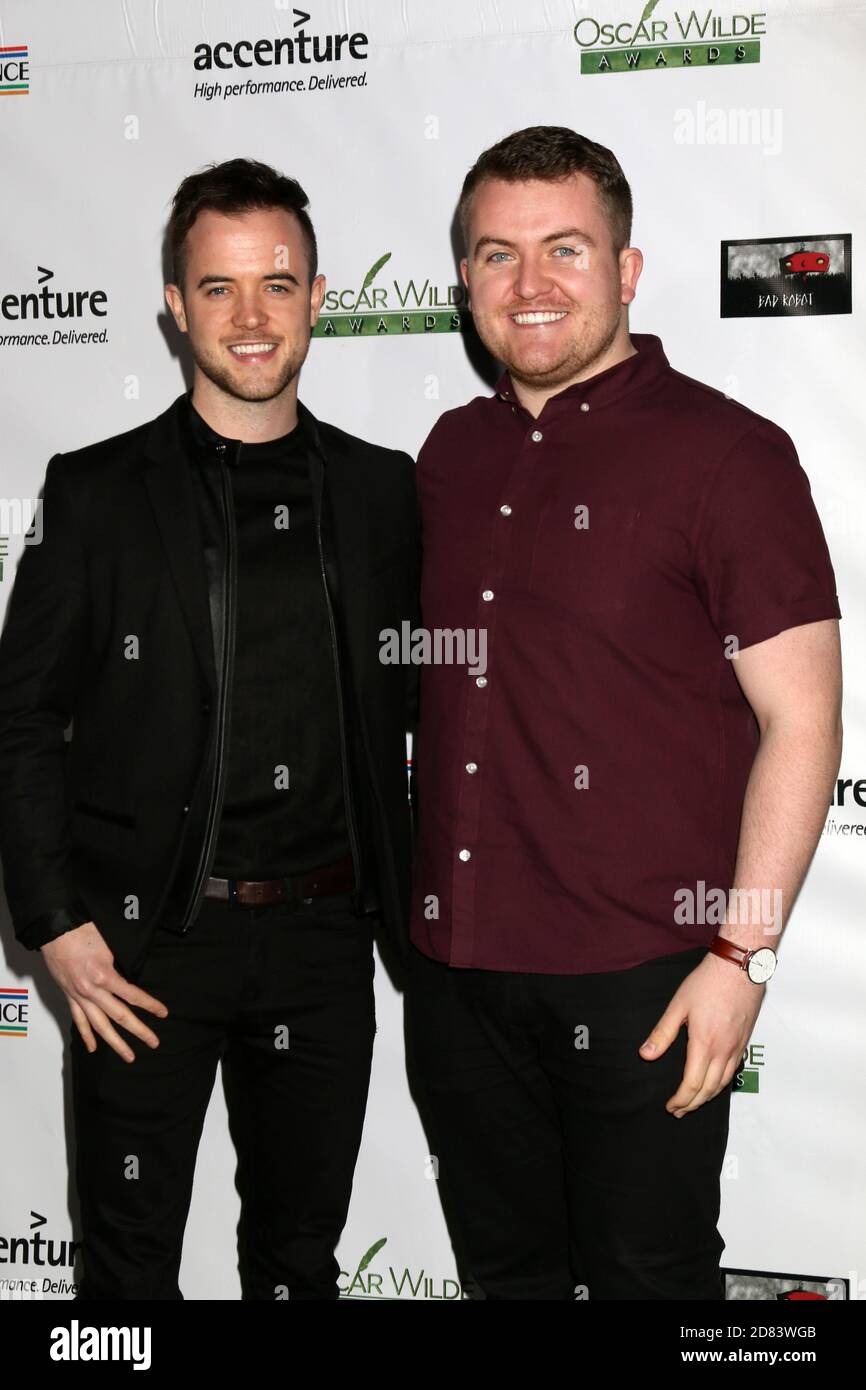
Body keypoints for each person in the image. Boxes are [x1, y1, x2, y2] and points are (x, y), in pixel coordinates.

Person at [405, 125, 842, 1300]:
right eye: (496, 255)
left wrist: (741, 953)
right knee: (505, 1278)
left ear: (627, 269)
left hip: (645, 977)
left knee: (650, 1278)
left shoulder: (729, 455)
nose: (529, 285)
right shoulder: (446, 454)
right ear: (464, 282)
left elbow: (801, 724)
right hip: (455, 977)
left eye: (564, 249)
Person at [0, 157, 420, 1300]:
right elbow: (22, 714)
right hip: (146, 948)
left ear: (318, 297)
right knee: (124, 1269)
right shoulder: (93, 492)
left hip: (325, 944)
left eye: (277, 285)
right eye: (219, 287)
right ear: (174, 306)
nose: (249, 316)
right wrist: (54, 921)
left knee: (298, 1262)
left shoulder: (385, 493)